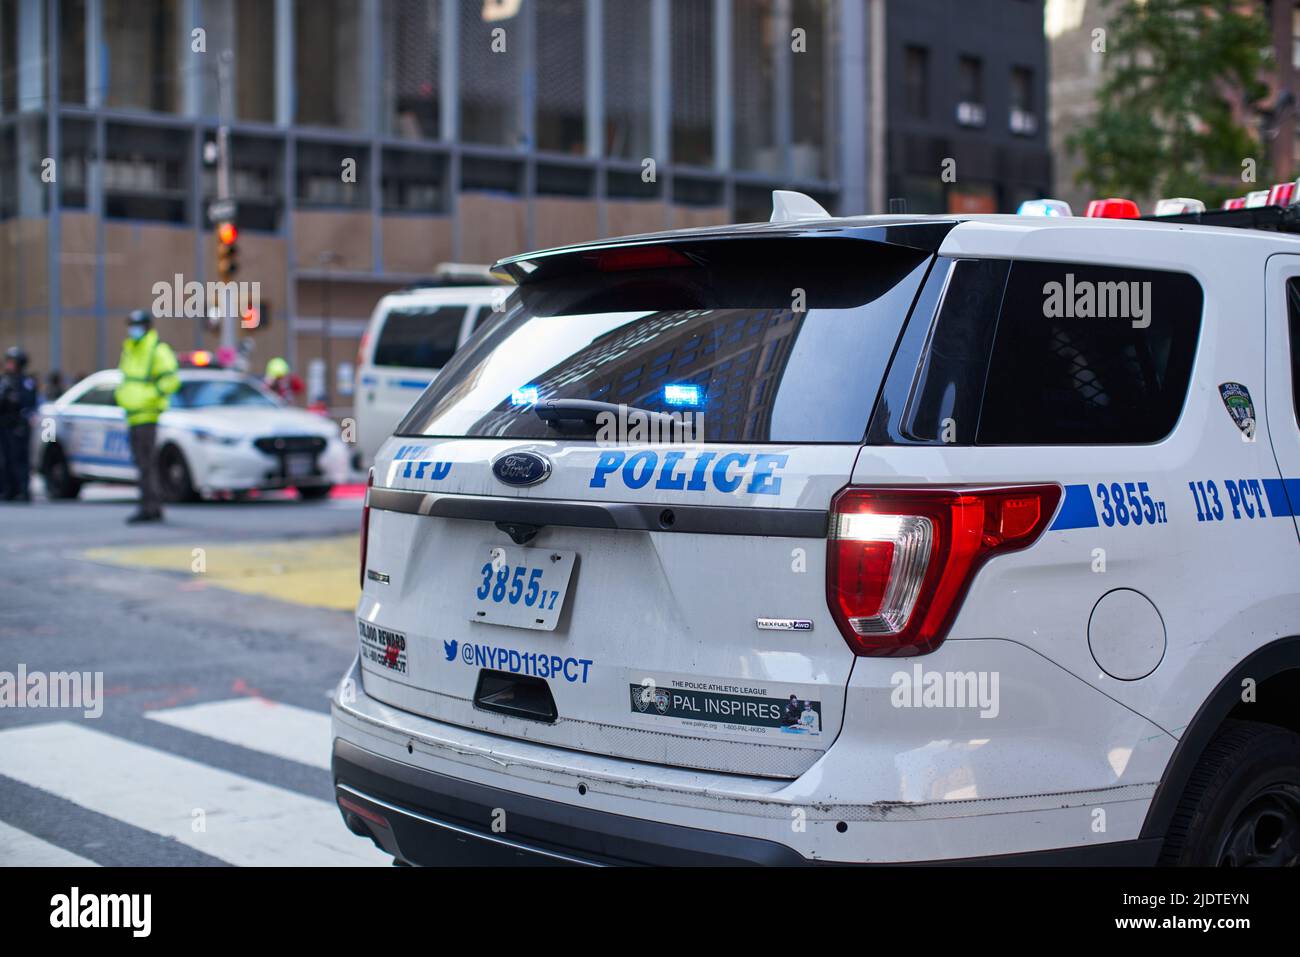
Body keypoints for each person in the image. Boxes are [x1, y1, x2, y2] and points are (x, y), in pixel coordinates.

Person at [114, 310, 179, 523]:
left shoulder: (157, 349)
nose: (133, 328)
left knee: (146, 464)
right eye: (131, 324)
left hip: (147, 415)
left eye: (137, 324)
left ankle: (150, 507)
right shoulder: (130, 348)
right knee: (141, 463)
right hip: (132, 414)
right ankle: (149, 505)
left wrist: (150, 398)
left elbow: (171, 380)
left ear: (147, 326)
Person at [0, 346, 38, 502]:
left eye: (12, 362)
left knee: (19, 460)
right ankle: (7, 489)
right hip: (4, 425)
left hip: (18, 426)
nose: (8, 365)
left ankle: (22, 490)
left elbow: (28, 403)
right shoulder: (4, 380)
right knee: (5, 459)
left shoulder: (26, 382)